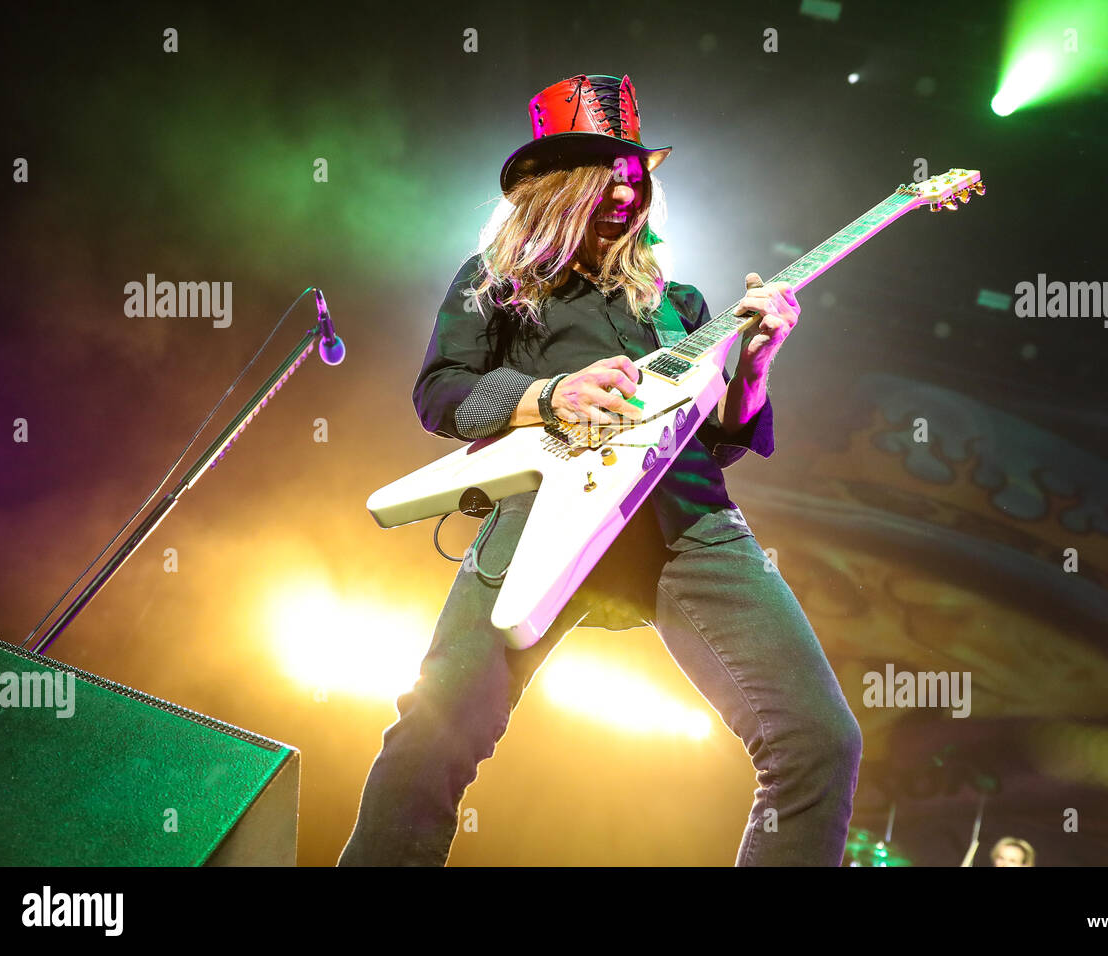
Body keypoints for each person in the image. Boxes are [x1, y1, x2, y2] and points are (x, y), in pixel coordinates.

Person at [339, 73, 862, 866]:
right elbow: (440, 394)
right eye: (606, 175)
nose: (627, 190)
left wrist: (755, 363)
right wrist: (550, 393)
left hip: (689, 524)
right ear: (557, 187)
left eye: (636, 175)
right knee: (432, 739)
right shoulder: (497, 285)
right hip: (542, 516)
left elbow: (721, 438)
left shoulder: (682, 303)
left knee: (820, 737)